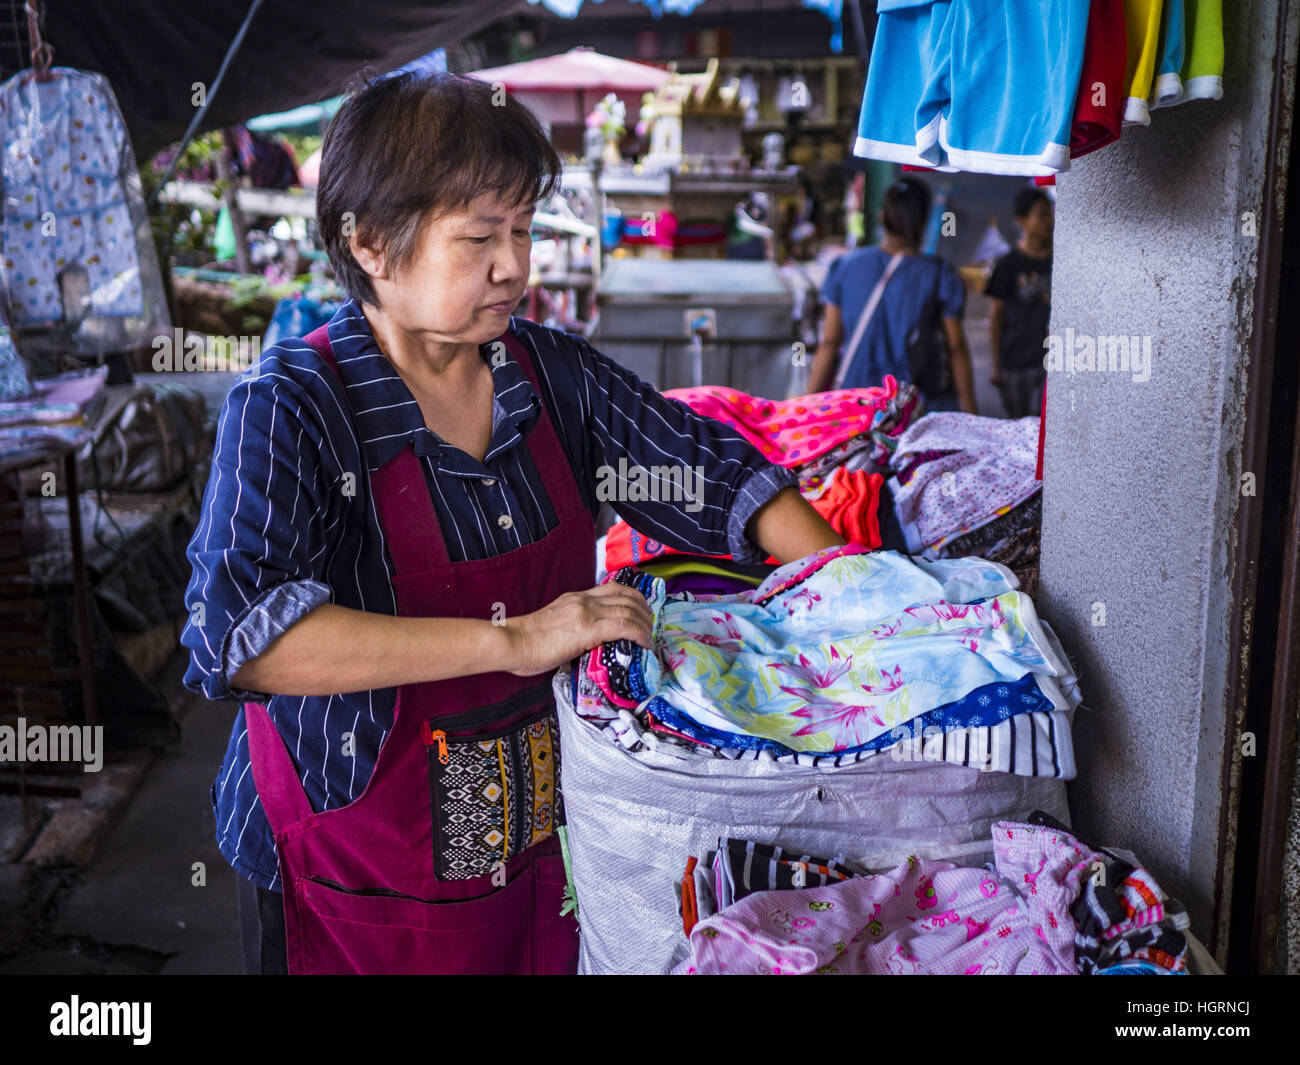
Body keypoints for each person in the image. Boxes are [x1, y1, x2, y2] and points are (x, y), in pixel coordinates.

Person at [180, 71, 845, 976]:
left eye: (524, 229)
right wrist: (520, 639)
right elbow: (247, 638)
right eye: (480, 237)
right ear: (371, 244)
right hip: (348, 875)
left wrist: (858, 604)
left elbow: (725, 481)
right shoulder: (294, 405)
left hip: (533, 855)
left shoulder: (549, 375)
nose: (515, 266)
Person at [808, 177, 976, 413]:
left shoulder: (844, 266)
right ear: (925, 220)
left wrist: (807, 405)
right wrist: (971, 412)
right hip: (915, 407)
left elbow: (829, 342)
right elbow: (955, 346)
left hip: (856, 404)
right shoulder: (940, 273)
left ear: (881, 216)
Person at [986, 187, 1053, 418]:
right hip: (1014, 361)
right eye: (1041, 214)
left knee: (1042, 422)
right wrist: (996, 364)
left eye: (1050, 213)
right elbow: (996, 316)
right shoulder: (1007, 265)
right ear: (1021, 220)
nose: (1049, 220)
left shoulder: (1060, 261)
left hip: (1047, 362)